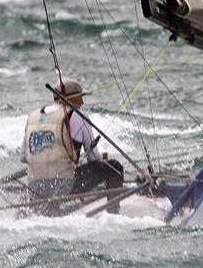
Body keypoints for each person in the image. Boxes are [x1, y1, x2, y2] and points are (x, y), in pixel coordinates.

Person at [19, 78, 124, 210]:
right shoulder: (78, 115)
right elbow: (93, 157)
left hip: (35, 186)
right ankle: (113, 212)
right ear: (70, 98)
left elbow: (23, 157)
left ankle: (48, 206)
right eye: (80, 97)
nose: (82, 102)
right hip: (65, 186)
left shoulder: (33, 116)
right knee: (114, 167)